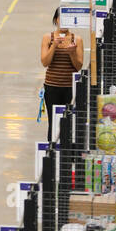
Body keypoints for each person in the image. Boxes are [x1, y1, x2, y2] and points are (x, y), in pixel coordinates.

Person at [40, 10, 82, 140]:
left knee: (68, 120)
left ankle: (66, 151)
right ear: (56, 20)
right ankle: (51, 151)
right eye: (61, 18)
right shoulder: (48, 38)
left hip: (70, 87)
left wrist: (72, 53)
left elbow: (78, 66)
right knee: (53, 121)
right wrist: (53, 46)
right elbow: (45, 62)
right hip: (52, 86)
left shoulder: (77, 39)